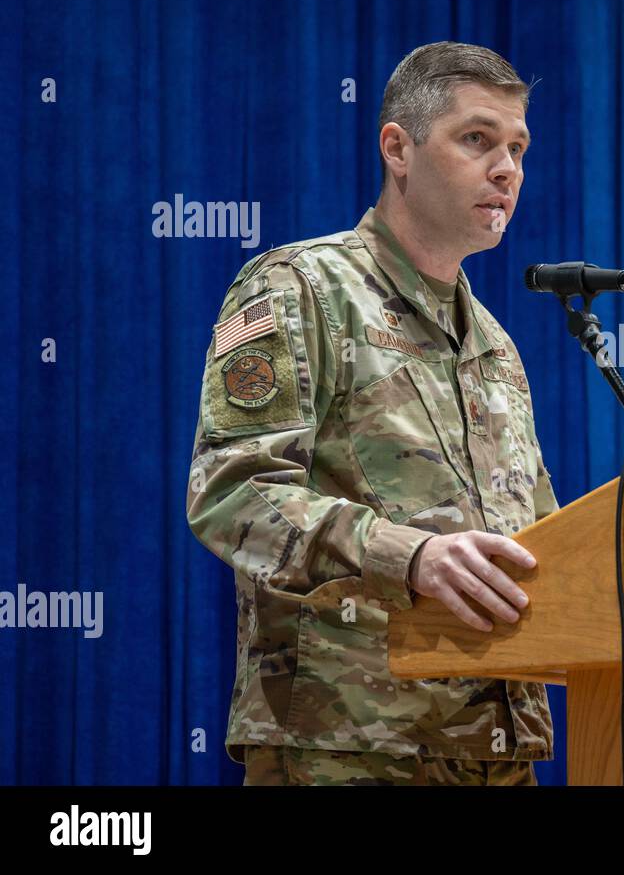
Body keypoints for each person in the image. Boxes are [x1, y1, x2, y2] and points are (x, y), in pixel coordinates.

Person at [186, 41, 559, 786]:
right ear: (398, 147)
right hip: (347, 745)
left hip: (499, 752)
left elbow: (537, 541)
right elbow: (231, 494)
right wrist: (409, 555)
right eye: (477, 140)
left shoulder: (496, 346)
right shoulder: (300, 288)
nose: (507, 169)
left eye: (518, 147)